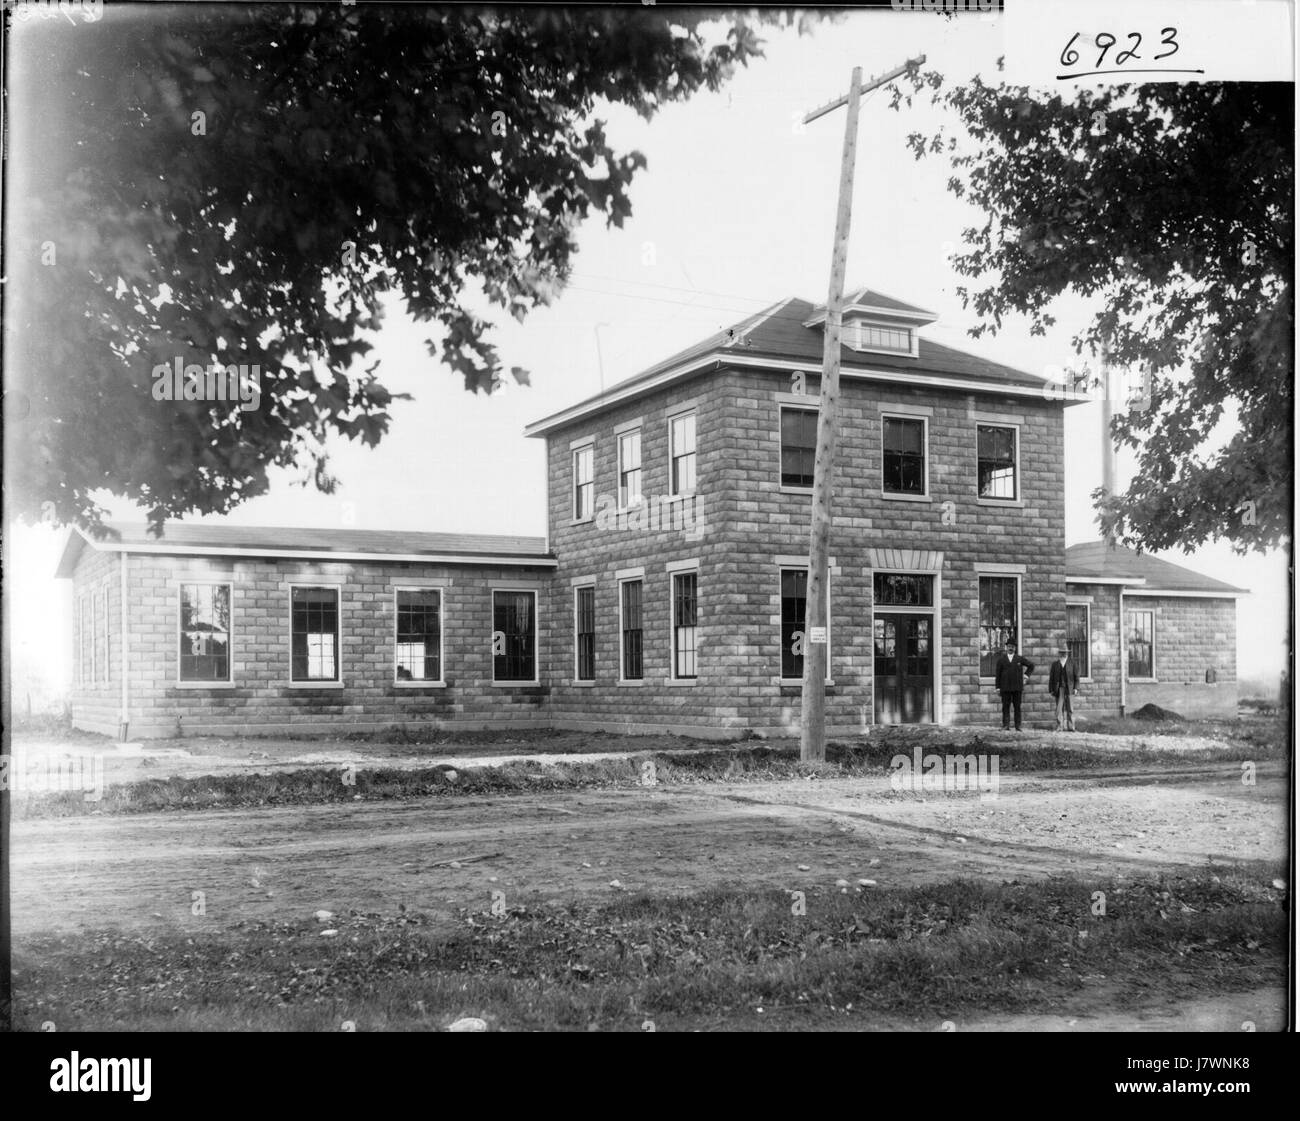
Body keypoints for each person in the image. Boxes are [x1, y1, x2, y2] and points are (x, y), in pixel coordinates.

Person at [993, 640, 1035, 731]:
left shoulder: (1019, 659)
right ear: (1006, 647)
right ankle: (1005, 725)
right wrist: (997, 687)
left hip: (1017, 687)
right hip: (1005, 688)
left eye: (1012, 646)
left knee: (1017, 707)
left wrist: (1026, 675)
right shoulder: (1001, 660)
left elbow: (1031, 665)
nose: (1011, 648)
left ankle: (1018, 726)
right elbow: (998, 675)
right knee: (1005, 707)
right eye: (1009, 646)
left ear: (1015, 648)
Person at [1048, 645, 1080, 731]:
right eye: (1062, 652)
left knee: (1070, 708)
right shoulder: (1055, 664)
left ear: (1068, 653)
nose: (1063, 654)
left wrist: (1076, 688)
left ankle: (1071, 726)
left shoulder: (1073, 663)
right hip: (1059, 689)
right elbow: (1051, 678)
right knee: (1059, 708)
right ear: (1059, 654)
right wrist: (1051, 689)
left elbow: (1076, 677)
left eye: (1065, 652)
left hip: (1069, 688)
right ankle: (1060, 726)